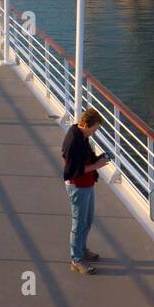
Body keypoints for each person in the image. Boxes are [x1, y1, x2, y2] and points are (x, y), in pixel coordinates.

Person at [61, 108, 109, 274]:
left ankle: (82, 250)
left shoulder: (82, 135)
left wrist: (98, 159)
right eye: (95, 128)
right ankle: (76, 259)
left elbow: (86, 158)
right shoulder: (74, 141)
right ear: (86, 125)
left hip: (87, 185)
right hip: (78, 186)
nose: (95, 132)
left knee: (87, 220)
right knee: (78, 223)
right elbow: (74, 169)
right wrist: (97, 165)